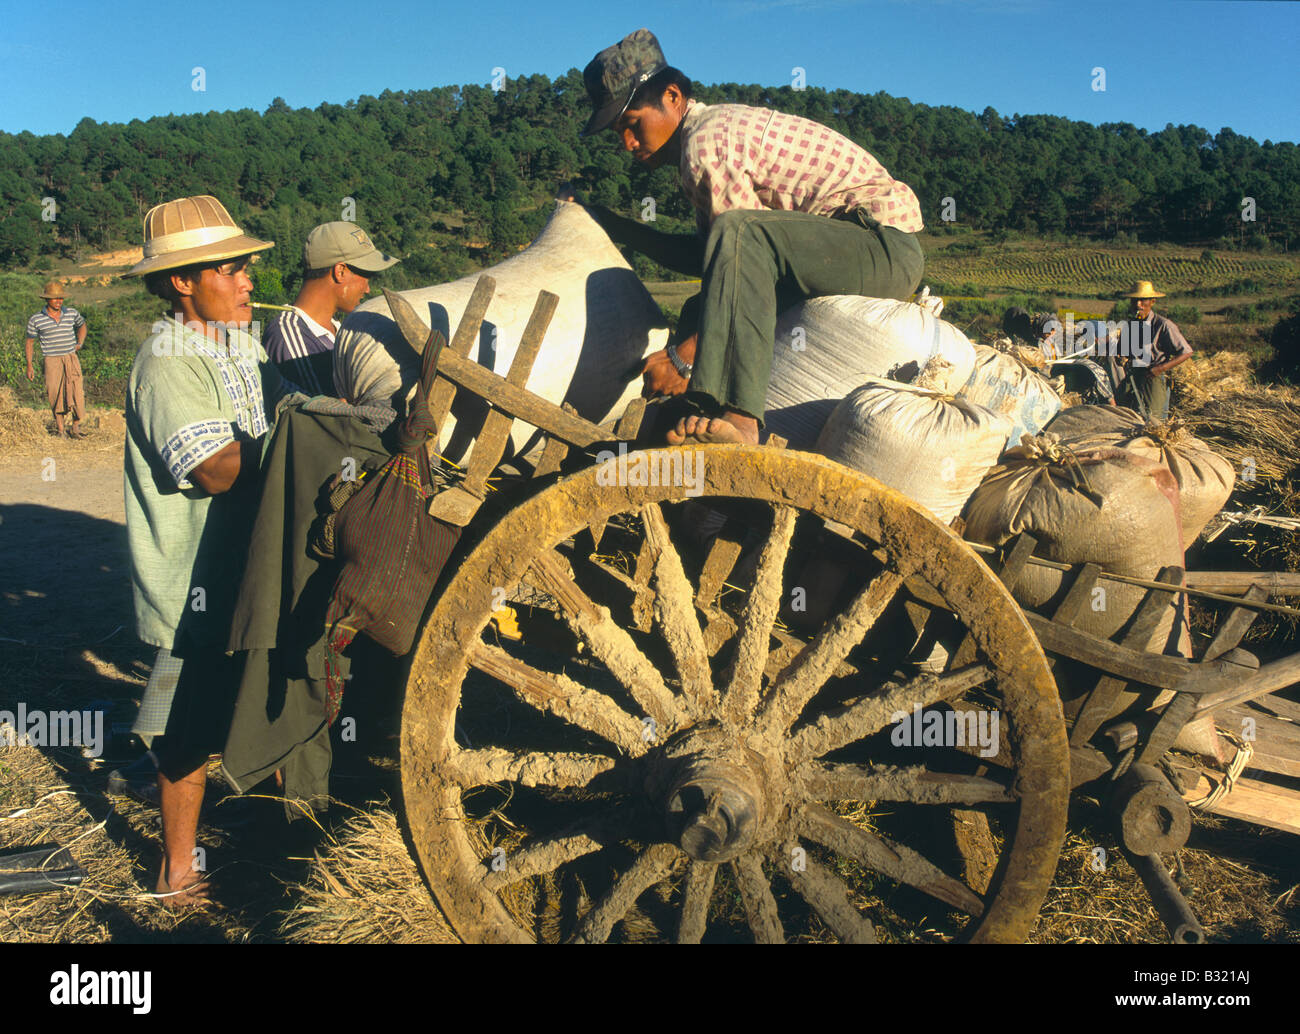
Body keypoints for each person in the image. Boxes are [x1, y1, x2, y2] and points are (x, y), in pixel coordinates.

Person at [573, 28, 925, 446]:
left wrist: (683, 358)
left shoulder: (704, 144)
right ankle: (685, 425)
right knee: (700, 305)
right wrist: (612, 224)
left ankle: (741, 420)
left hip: (881, 247)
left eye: (632, 124)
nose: (628, 143)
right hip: (850, 250)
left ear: (672, 96)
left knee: (736, 237)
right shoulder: (703, 141)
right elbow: (714, 259)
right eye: (619, 134)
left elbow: (739, 249)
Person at [120, 194, 283, 906]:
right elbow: (216, 468)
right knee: (183, 725)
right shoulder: (165, 360)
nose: (248, 279)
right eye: (231, 268)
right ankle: (176, 871)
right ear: (182, 281)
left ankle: (274, 833)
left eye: (247, 266)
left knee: (255, 693)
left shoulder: (238, 341)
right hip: (193, 577)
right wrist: (301, 451)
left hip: (242, 562)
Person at [261, 221, 399, 396]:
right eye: (366, 276)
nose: (367, 289)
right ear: (340, 271)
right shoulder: (288, 335)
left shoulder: (339, 329)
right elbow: (325, 418)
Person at [1114, 280, 1192, 421]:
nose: (1138, 304)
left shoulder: (1163, 325)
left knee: (1153, 420)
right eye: (1135, 301)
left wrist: (1161, 368)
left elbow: (1186, 352)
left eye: (1143, 300)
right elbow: (1122, 350)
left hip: (1153, 376)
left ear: (1152, 302)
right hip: (1133, 374)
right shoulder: (1131, 324)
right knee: (1119, 412)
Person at [24, 280, 88, 438]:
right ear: (47, 299)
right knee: (55, 393)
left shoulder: (71, 313)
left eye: (61, 298)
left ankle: (75, 428)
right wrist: (29, 365)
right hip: (51, 360)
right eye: (55, 298)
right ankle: (61, 430)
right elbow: (30, 342)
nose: (59, 301)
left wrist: (79, 343)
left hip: (70, 358)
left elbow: (82, 325)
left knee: (76, 392)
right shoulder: (36, 319)